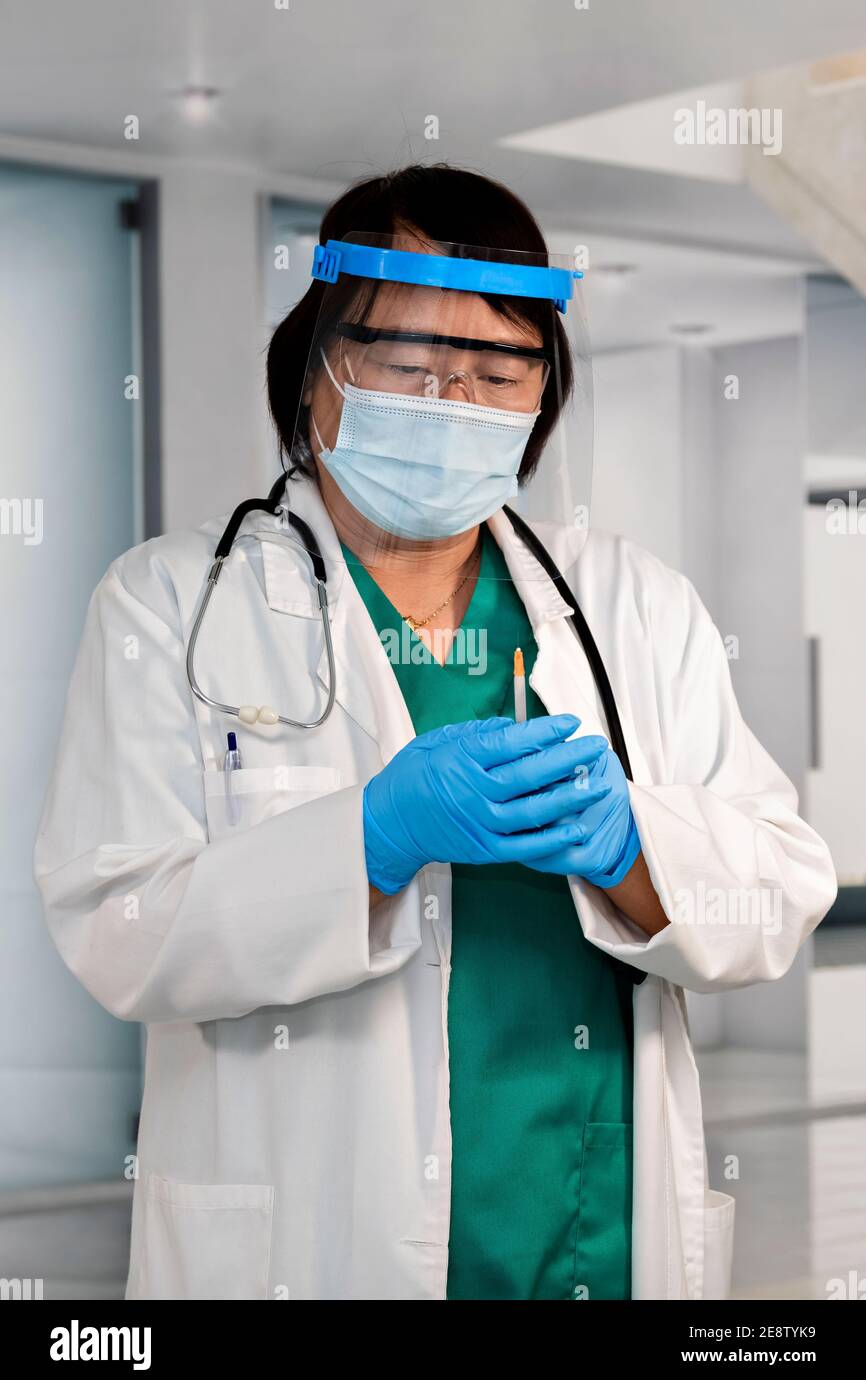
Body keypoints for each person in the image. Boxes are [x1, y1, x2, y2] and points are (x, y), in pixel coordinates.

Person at [34, 163, 836, 1301]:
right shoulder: (171, 604)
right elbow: (112, 923)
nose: (452, 401)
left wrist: (636, 846)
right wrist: (365, 837)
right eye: (407, 365)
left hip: (589, 1226)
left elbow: (779, 890)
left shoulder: (630, 604)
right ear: (317, 370)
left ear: (541, 395)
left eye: (497, 367)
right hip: (311, 1247)